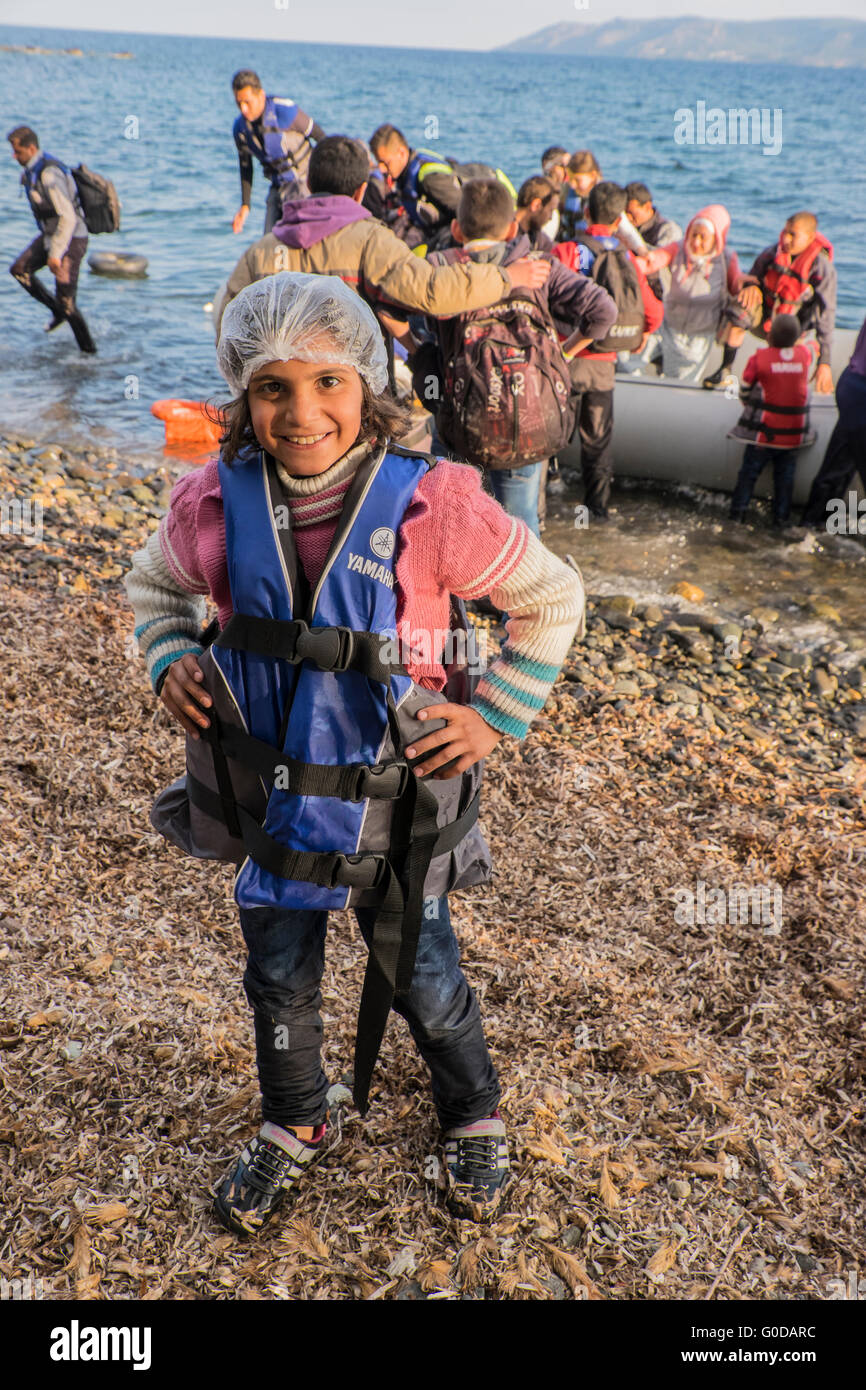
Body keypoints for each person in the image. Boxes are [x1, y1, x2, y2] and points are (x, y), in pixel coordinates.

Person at [124, 272, 585, 1234]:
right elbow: (154, 586)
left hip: (394, 811)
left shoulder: (436, 507)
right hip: (274, 810)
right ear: (241, 395)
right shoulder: (210, 503)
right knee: (276, 976)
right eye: (273, 387)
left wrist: (496, 716)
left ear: (369, 386)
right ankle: (298, 1116)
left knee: (424, 974)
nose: (302, 414)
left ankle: (472, 1109)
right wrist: (167, 656)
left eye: (328, 382)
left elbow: (552, 600)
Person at [415, 178, 617, 536]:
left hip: (459, 420)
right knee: (520, 529)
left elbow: (396, 308)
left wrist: (420, 354)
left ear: (457, 229)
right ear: (512, 229)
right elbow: (604, 311)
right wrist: (563, 353)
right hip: (524, 421)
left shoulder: (438, 268)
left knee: (448, 523)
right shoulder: (539, 267)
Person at [215, 136, 550, 338]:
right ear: (361, 191)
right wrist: (506, 278)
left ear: (310, 184)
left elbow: (226, 320)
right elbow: (432, 292)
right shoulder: (371, 242)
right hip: (353, 409)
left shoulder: (262, 249)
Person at [552, 181, 663, 519]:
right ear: (619, 220)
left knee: (551, 435)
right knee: (597, 442)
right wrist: (642, 334)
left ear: (585, 213)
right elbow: (654, 314)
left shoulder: (565, 251)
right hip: (603, 365)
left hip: (565, 359)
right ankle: (596, 512)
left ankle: (541, 507)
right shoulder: (627, 257)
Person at [717, 212, 837, 394]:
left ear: (810, 237)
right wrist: (751, 287)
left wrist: (825, 362)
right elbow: (752, 277)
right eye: (785, 232)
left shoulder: (821, 269)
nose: (786, 239)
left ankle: (783, 387)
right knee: (741, 306)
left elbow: (826, 314)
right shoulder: (772, 253)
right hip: (766, 318)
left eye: (793, 235)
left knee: (791, 363)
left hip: (794, 328)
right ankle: (725, 372)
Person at [7, 125, 96, 354]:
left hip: (72, 238)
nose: (13, 156)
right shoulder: (32, 170)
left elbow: (68, 218)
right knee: (19, 270)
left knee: (68, 303)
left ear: (31, 148)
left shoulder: (48, 174)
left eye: (17, 152)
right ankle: (57, 312)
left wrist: (55, 254)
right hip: (51, 235)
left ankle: (89, 354)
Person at [727, 315, 817, 527]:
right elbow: (812, 347)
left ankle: (737, 516)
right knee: (785, 479)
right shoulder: (804, 355)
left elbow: (745, 391)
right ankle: (781, 520)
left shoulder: (759, 359)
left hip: (763, 437)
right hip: (792, 439)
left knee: (748, 475)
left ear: (769, 337)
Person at [642, 205, 745, 383]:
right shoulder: (678, 249)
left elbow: (737, 287)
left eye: (703, 237)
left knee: (680, 383)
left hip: (697, 338)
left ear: (716, 238)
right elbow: (654, 260)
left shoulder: (727, 259)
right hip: (667, 326)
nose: (696, 242)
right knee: (628, 358)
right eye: (693, 235)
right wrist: (636, 261)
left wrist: (750, 287)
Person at [231, 69, 325, 236]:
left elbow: (322, 139)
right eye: (239, 103)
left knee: (301, 237)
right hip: (278, 186)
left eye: (247, 102)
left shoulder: (285, 111)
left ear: (261, 95)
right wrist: (245, 206)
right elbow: (245, 167)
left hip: (304, 182)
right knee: (268, 241)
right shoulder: (240, 129)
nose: (243, 109)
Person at [801, 315, 866, 527]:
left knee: (837, 468)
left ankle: (811, 528)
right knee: (837, 468)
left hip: (853, 387)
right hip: (859, 394)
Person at [624, 181, 682, 299]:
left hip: (662, 295)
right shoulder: (626, 229)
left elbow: (660, 261)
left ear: (647, 207)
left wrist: (633, 243)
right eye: (625, 213)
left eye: (631, 212)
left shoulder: (668, 230)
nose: (628, 218)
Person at [558, 150, 601, 243]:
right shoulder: (565, 191)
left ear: (593, 176)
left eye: (577, 180)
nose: (572, 185)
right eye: (570, 179)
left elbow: (626, 229)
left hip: (593, 246)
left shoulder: (605, 196)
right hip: (567, 244)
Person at [515, 175, 559, 252]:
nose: (550, 217)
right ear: (535, 205)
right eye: (550, 210)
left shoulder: (538, 237)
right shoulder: (506, 235)